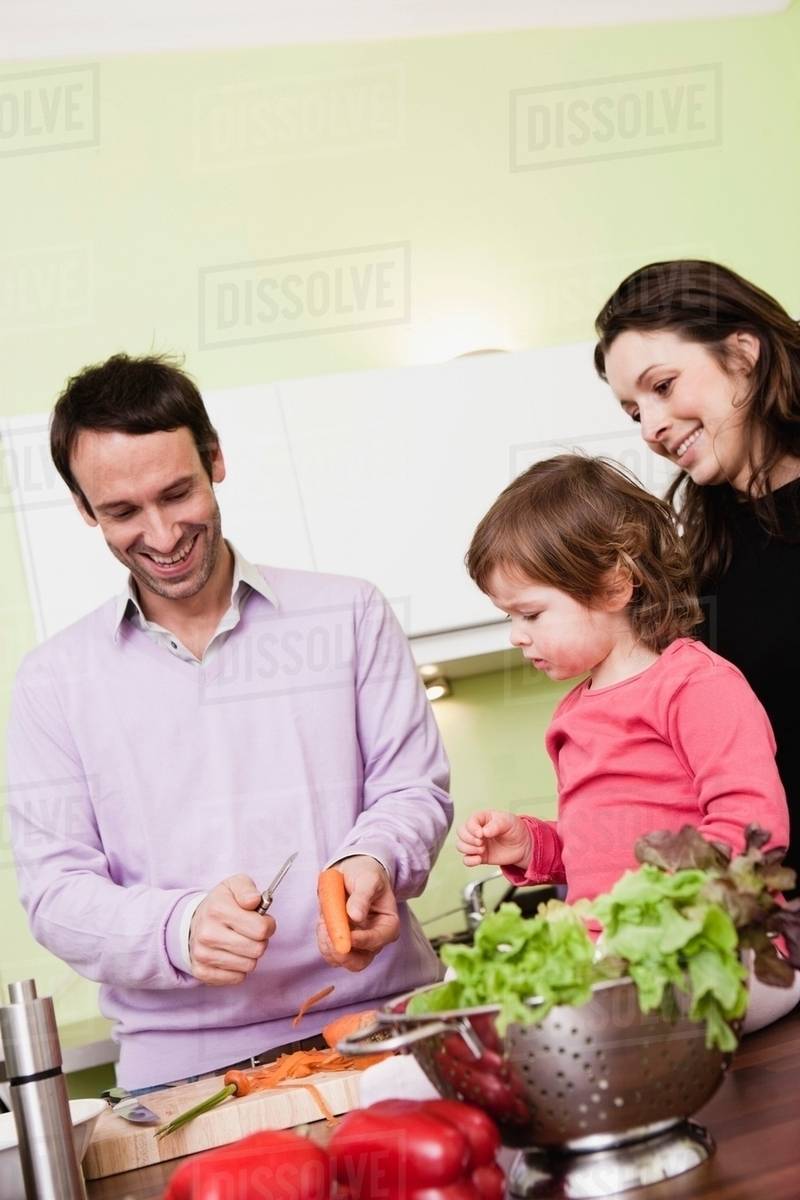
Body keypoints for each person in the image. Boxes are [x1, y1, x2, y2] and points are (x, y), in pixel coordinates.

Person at [6, 353, 451, 1092]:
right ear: (87, 511)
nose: (160, 533)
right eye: (121, 512)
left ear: (215, 460)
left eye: (176, 492)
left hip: (387, 1023)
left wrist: (374, 862)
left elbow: (412, 793)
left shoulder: (349, 613)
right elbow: (55, 893)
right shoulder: (54, 682)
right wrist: (178, 930)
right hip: (186, 1072)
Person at [456, 453, 798, 1030]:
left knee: (548, 1031)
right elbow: (601, 855)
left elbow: (751, 826)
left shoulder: (695, 684)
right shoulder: (574, 714)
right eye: (507, 618)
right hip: (616, 957)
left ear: (616, 582)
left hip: (723, 952)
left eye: (532, 613)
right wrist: (532, 846)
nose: (517, 637)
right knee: (480, 1008)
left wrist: (656, 914)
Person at [593, 259, 800, 881]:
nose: (651, 427)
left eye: (662, 386)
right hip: (771, 919)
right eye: (634, 412)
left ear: (743, 353)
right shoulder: (694, 560)